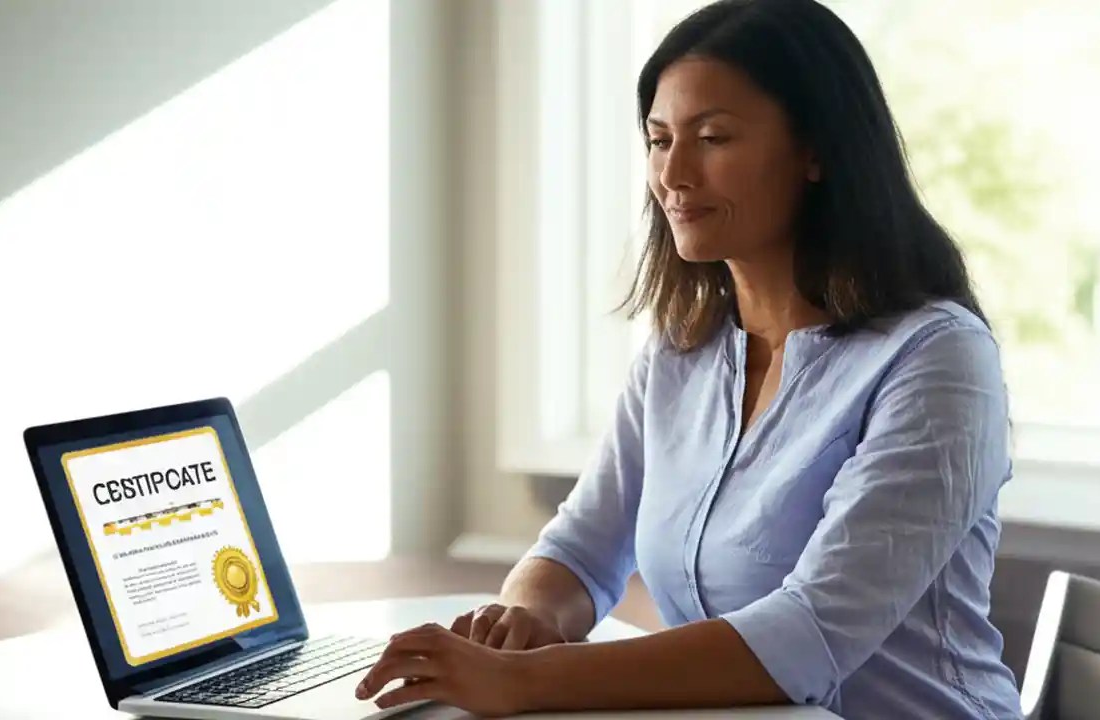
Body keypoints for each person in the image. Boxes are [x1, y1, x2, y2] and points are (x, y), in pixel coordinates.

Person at [356, 0, 1023, 717]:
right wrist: (525, 621)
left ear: (816, 151)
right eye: (658, 138)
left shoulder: (937, 360)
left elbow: (807, 635)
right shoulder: (682, 350)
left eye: (712, 138)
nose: (673, 173)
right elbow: (581, 551)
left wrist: (525, 681)